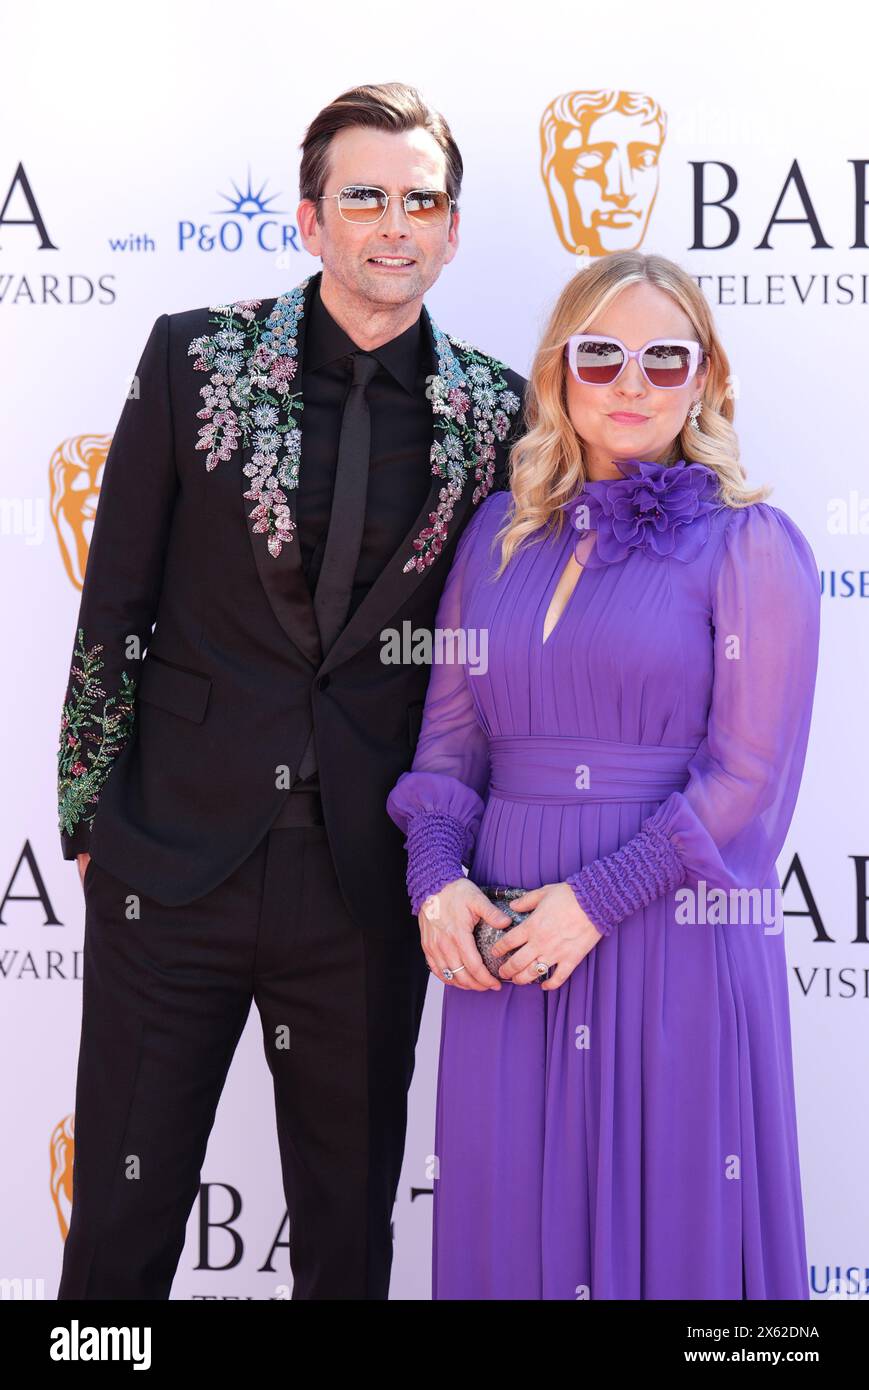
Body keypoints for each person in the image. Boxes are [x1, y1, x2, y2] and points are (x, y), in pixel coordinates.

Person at [55, 81, 527, 1300]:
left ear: (451, 230)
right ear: (311, 218)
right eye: (363, 195)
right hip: (173, 867)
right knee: (116, 1228)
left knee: (344, 1234)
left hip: (365, 891)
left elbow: (489, 657)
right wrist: (88, 823)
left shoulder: (494, 413)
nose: (393, 223)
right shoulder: (194, 358)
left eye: (421, 200)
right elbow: (115, 607)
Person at [386, 249, 821, 1300]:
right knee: (509, 1226)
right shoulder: (496, 534)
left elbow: (747, 783)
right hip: (503, 949)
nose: (631, 383)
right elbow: (448, 745)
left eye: (663, 358)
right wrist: (436, 878)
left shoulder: (748, 545)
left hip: (665, 934)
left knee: (670, 1226)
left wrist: (592, 900)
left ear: (705, 379)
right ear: (558, 373)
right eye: (601, 355)